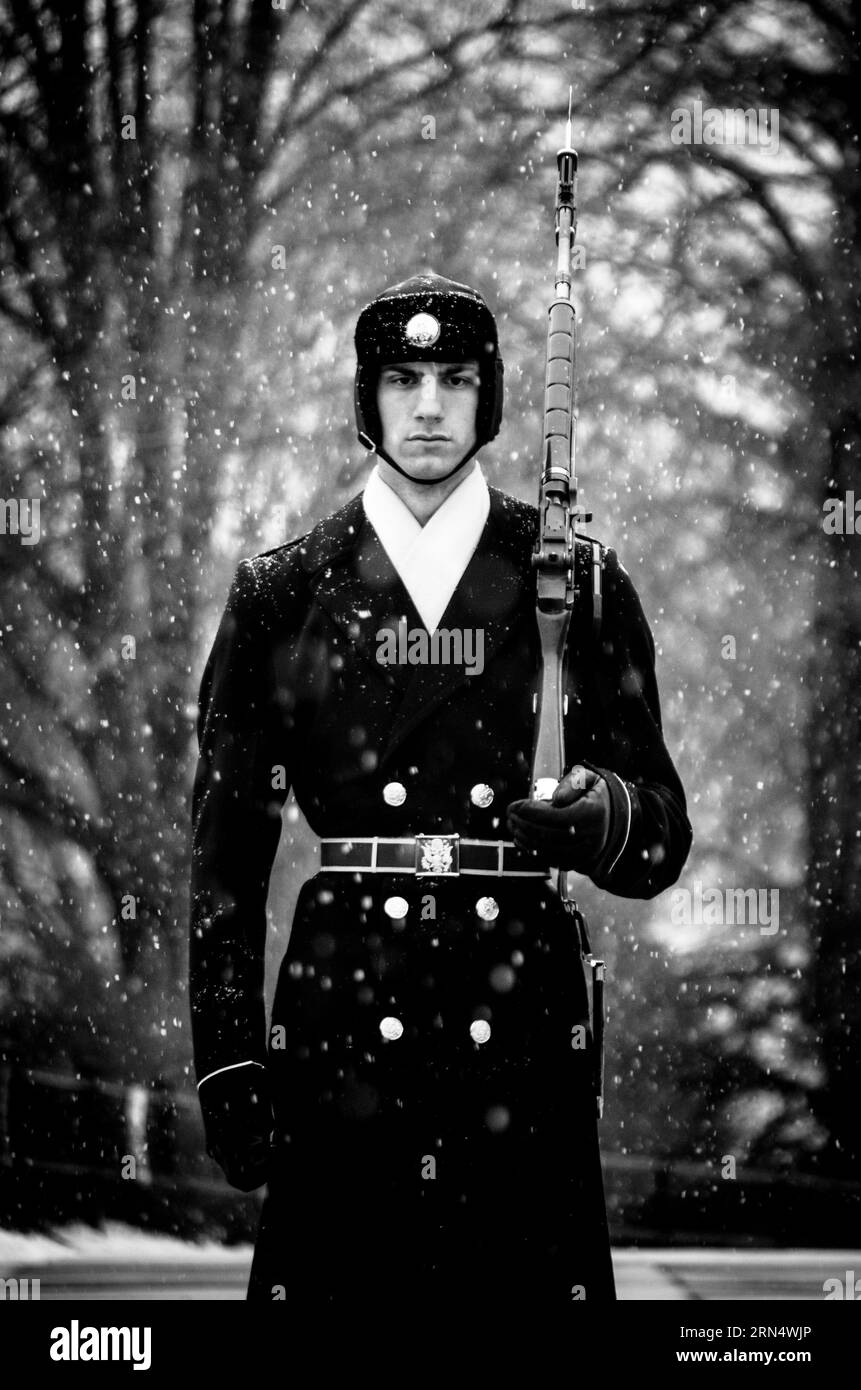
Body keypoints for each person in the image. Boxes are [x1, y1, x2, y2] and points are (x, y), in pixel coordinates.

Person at [188, 271, 692, 1311]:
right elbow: (225, 861)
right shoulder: (286, 592)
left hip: (516, 1011)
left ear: (490, 397)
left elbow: (662, 832)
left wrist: (607, 816)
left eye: (455, 379)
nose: (428, 405)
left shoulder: (577, 580)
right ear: (366, 400)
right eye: (402, 379)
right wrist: (228, 1056)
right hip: (340, 1014)